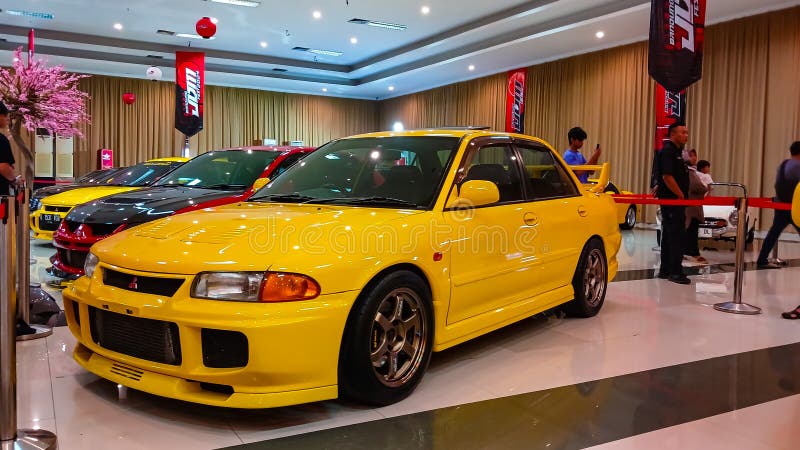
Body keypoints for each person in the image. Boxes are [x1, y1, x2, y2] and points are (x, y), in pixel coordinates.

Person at [654, 122, 691, 284]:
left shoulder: (677, 152)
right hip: (673, 201)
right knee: (675, 235)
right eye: (683, 132)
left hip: (674, 200)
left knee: (669, 235)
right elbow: (667, 176)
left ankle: (665, 269)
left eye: (687, 132)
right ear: (673, 134)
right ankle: (675, 271)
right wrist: (680, 194)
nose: (686, 135)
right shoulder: (669, 152)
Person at [756, 141, 800, 270]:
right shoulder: (798, 166)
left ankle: (762, 259)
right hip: (793, 207)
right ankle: (762, 259)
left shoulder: (784, 164)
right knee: (775, 232)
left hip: (779, 204)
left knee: (773, 232)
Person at [683, 149, 709, 264]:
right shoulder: (689, 172)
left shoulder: (693, 171)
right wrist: (704, 188)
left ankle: (690, 252)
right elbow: (698, 187)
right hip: (691, 207)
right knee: (691, 230)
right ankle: (693, 253)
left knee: (692, 230)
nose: (694, 158)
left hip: (693, 206)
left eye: (695, 155)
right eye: (691, 156)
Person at [0, 101, 20, 196]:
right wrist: (14, 179)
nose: (8, 119)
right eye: (6, 115)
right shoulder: (1, 140)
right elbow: (3, 167)